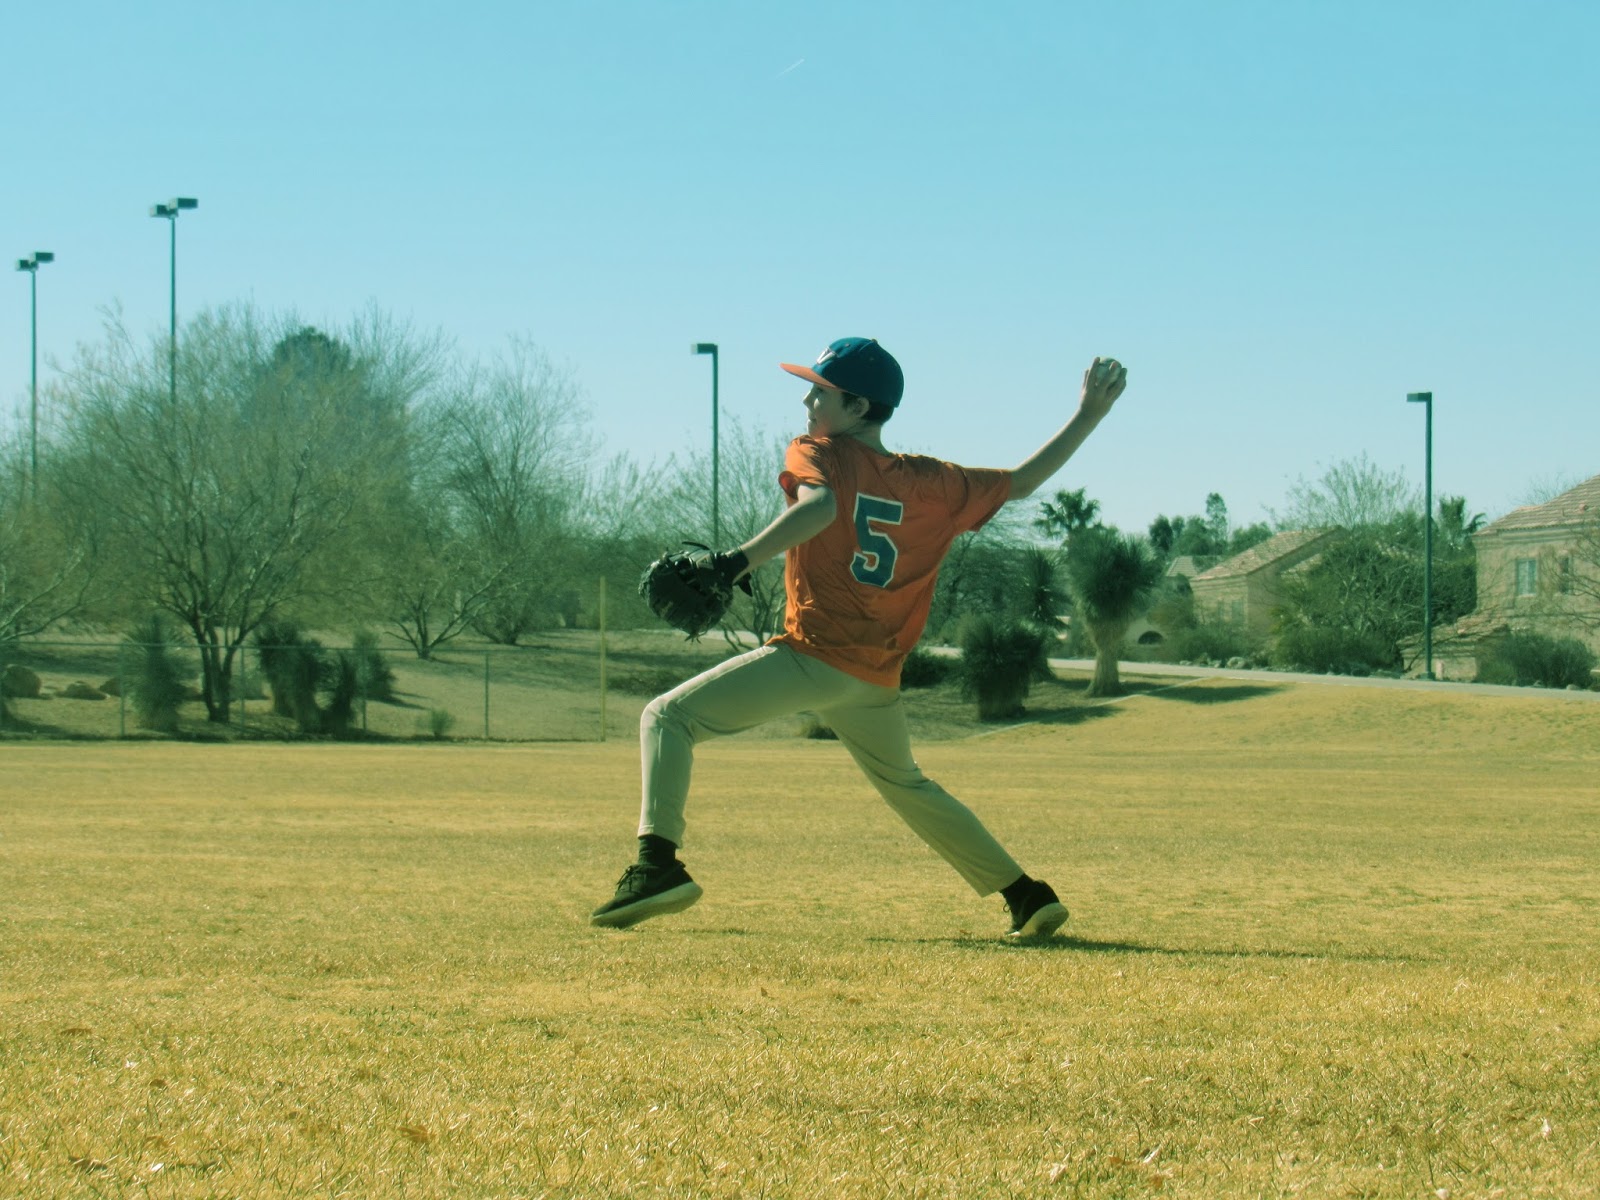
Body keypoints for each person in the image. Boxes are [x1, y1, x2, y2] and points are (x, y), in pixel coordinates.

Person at [591, 336, 1127, 938]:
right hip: (874, 678)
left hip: (816, 656)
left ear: (860, 408)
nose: (807, 399)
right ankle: (1026, 895)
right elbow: (1023, 480)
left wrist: (732, 563)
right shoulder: (933, 483)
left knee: (667, 719)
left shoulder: (820, 450)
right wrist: (1089, 415)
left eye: (821, 391)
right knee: (907, 786)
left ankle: (655, 866)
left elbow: (820, 510)